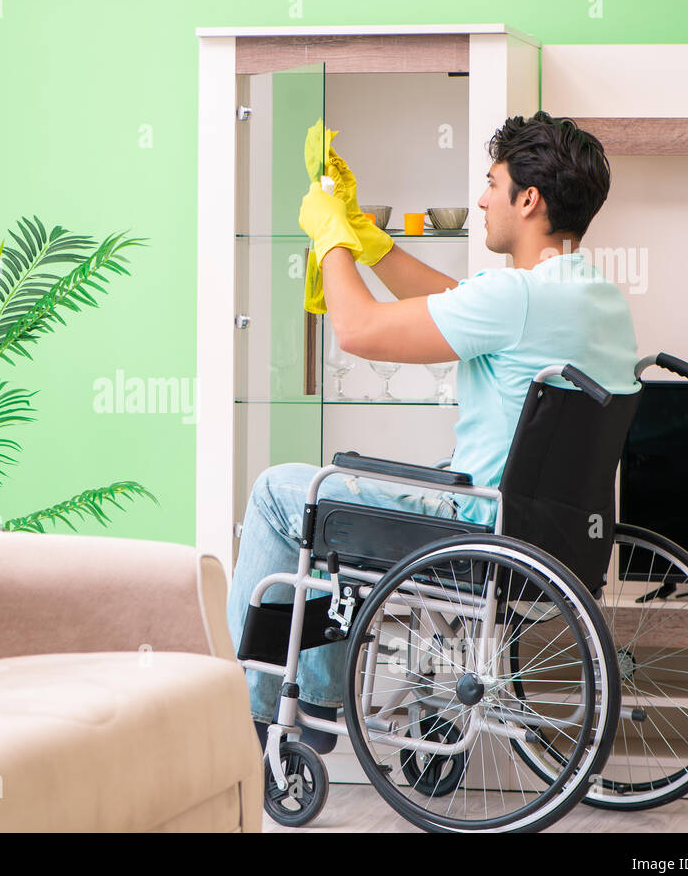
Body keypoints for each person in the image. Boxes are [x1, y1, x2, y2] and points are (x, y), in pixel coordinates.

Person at [227, 111, 640, 753]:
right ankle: (307, 699)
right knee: (324, 498)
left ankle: (264, 714)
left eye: (491, 182)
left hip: (469, 529)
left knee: (282, 492)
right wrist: (372, 241)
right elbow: (455, 299)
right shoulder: (592, 298)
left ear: (527, 200)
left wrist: (330, 234)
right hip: (550, 539)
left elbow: (357, 330)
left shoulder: (517, 300)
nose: (480, 198)